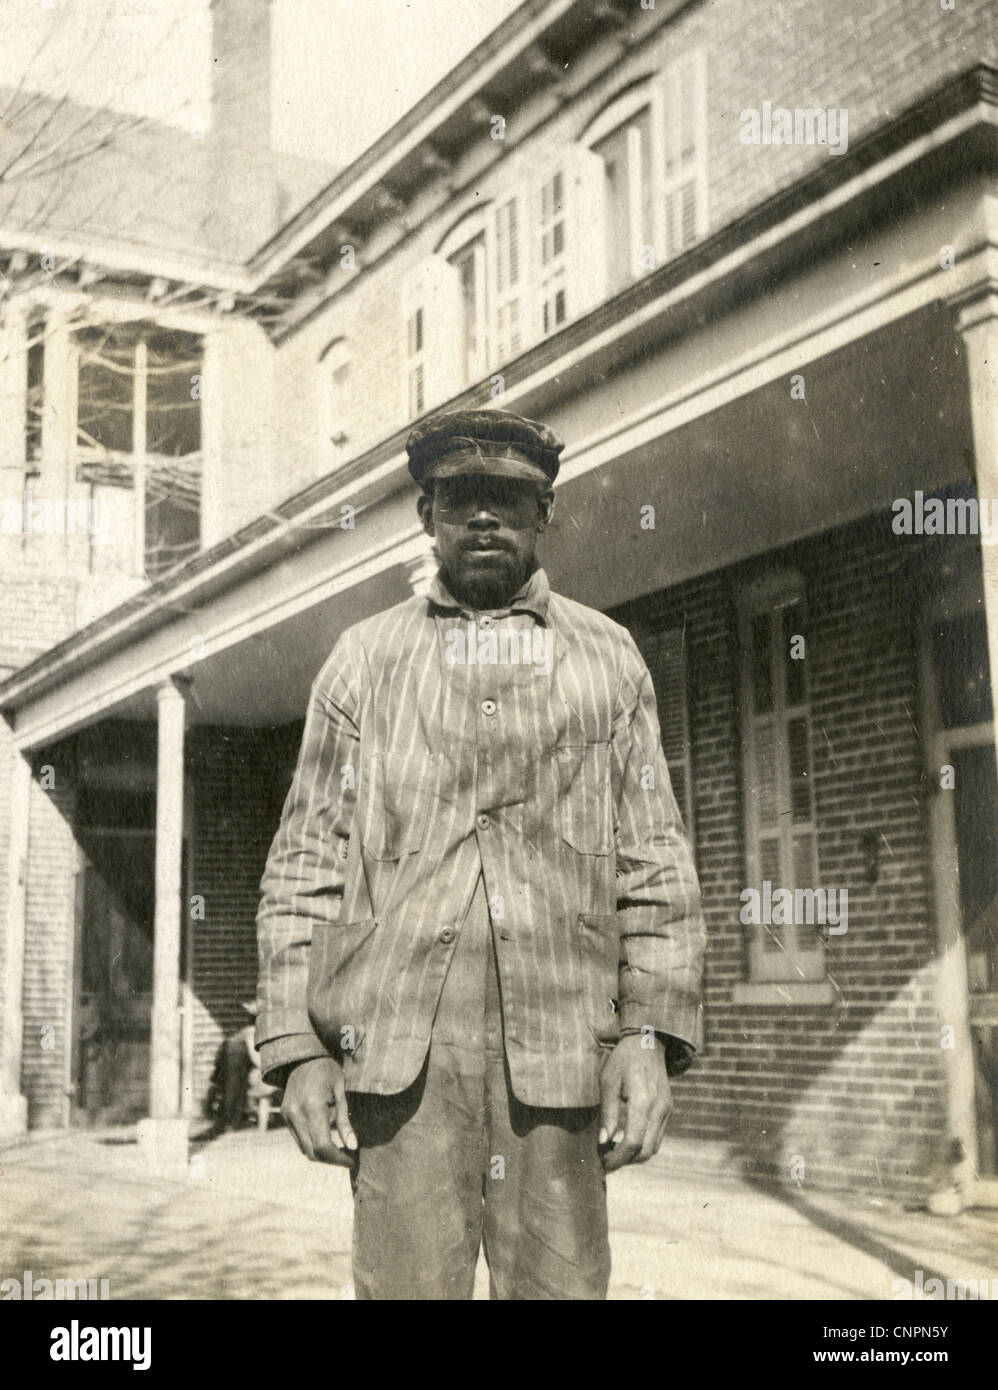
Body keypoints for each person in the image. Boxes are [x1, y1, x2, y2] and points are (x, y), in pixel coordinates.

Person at [255, 408, 706, 1300]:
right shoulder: (363, 663)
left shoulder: (608, 661)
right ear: (427, 515)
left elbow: (655, 863)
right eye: (463, 500)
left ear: (546, 513)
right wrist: (298, 1050)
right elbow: (306, 864)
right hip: (402, 1073)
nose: (487, 520)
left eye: (510, 499)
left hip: (561, 1065)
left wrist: (649, 1035)